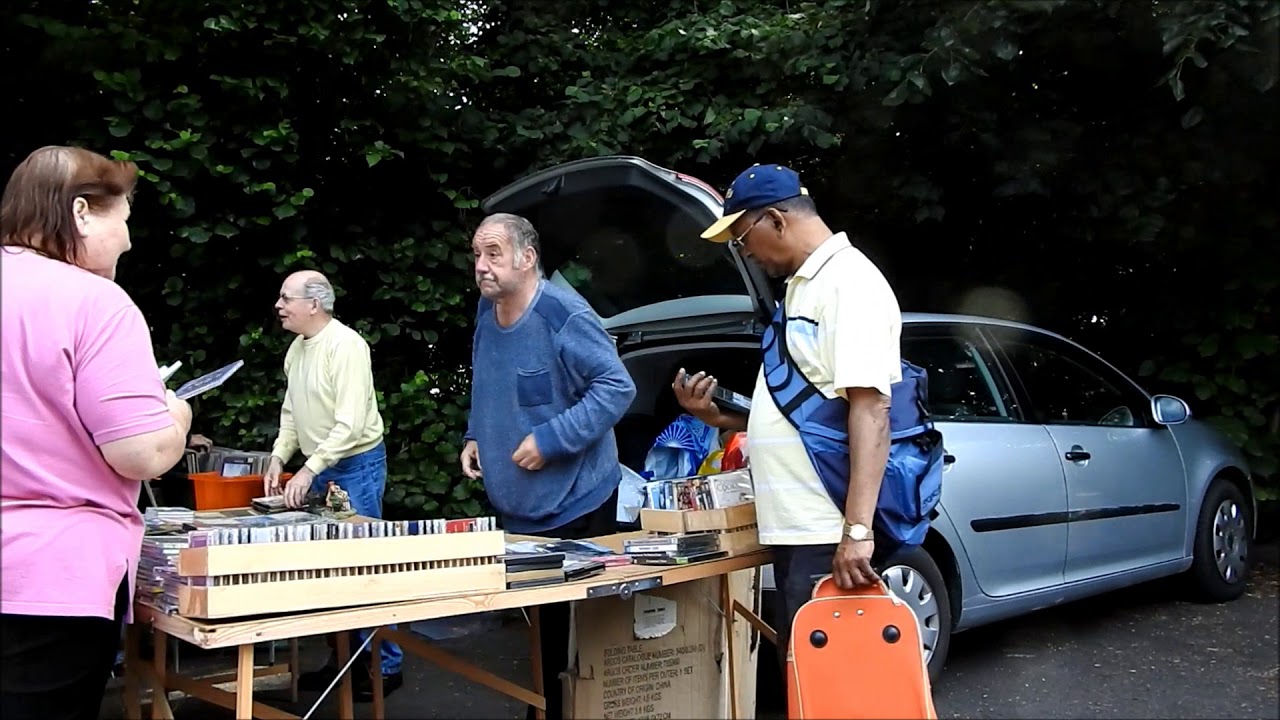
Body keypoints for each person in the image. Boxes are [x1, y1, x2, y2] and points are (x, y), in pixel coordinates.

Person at [670, 163, 904, 677]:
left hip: (825, 529)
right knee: (808, 680)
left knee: (834, 685)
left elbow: (872, 409)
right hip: (798, 528)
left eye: (742, 236)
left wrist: (857, 530)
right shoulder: (802, 286)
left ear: (776, 219)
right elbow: (806, 412)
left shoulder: (849, 283)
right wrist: (718, 415)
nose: (744, 251)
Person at [0, 145, 194, 720]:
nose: (129, 242)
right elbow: (141, 453)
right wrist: (175, 416)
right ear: (82, 213)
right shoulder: (96, 303)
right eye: (124, 221)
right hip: (51, 578)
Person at [460, 212, 636, 719]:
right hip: (520, 509)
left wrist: (553, 438)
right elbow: (489, 380)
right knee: (545, 640)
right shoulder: (486, 310)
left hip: (578, 503)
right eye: (477, 254)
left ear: (527, 257)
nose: (482, 266)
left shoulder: (563, 315)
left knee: (587, 641)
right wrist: (476, 433)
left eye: (493, 253)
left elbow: (616, 387)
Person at [261, 270, 403, 699]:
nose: (279, 306)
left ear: (314, 304)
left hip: (355, 464)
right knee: (328, 569)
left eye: (287, 299)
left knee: (364, 568)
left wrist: (309, 468)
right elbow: (291, 410)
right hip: (322, 464)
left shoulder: (347, 346)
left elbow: (350, 423)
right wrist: (280, 456)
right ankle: (344, 661)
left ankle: (386, 665)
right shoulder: (297, 349)